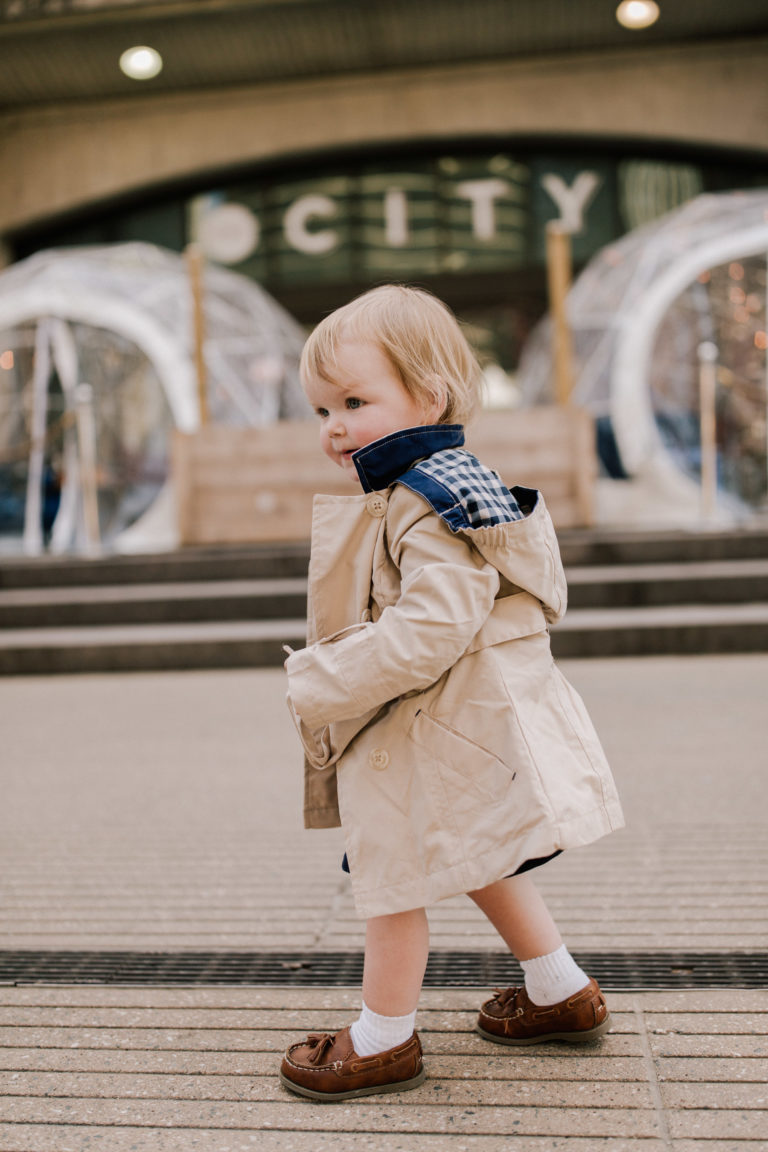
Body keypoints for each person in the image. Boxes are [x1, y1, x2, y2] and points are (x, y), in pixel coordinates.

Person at [279, 285, 624, 1102]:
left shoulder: (424, 499)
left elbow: (435, 626)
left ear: (428, 398)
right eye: (322, 408)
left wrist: (323, 680)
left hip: (429, 724)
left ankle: (382, 1040)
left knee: (392, 877)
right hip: (456, 718)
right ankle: (559, 988)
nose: (334, 426)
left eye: (354, 402)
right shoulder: (445, 482)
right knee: (477, 856)